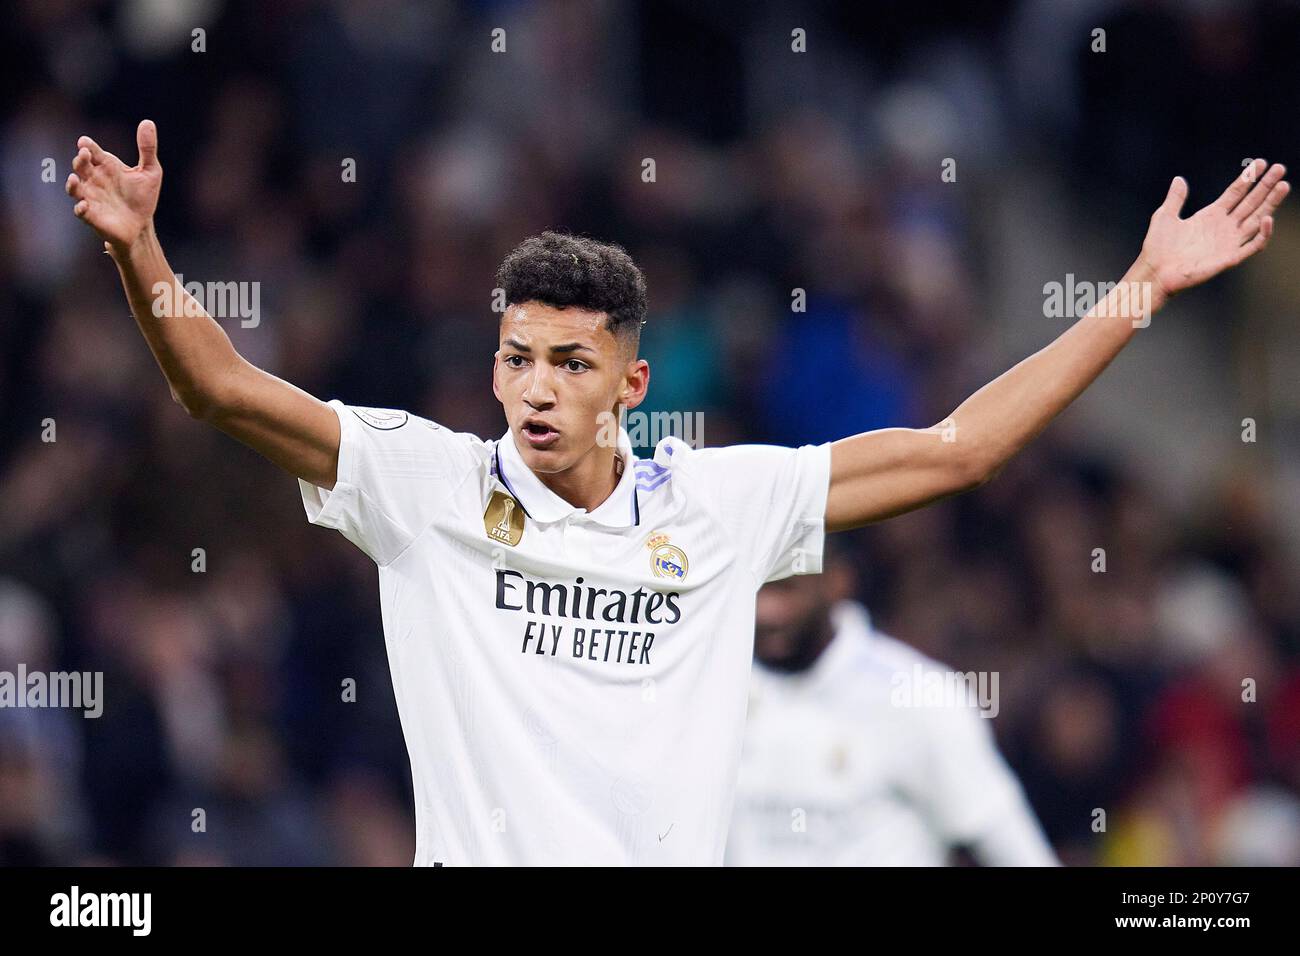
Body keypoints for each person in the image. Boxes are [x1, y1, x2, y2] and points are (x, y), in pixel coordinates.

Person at [65, 119, 1288, 865]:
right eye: (516, 357)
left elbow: (957, 448)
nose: (534, 390)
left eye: (571, 363)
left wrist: (1136, 287)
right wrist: (140, 248)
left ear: (632, 382)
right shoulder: (424, 478)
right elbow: (221, 387)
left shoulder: (720, 505)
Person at [726, 544, 1058, 866]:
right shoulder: (719, 689)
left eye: (785, 590)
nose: (765, 611)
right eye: (757, 590)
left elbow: (1007, 842)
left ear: (836, 581)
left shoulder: (917, 695)